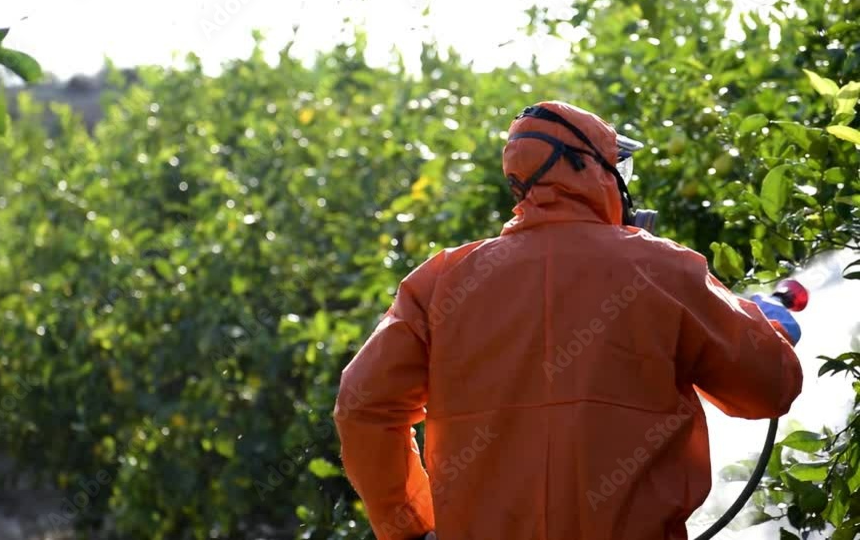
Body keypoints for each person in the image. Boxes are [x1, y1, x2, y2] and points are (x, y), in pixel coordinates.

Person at [333, 101, 803, 540]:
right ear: (587, 167)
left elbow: (362, 407)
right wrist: (768, 327)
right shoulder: (663, 267)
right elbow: (769, 389)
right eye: (618, 165)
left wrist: (413, 527)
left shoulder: (440, 282)